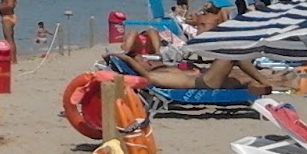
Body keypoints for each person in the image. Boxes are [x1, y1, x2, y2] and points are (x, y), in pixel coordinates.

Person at [115, 52, 274, 95]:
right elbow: (146, 76)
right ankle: (264, 82)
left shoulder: (160, 70)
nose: (145, 59)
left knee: (243, 79)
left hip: (204, 79)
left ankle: (271, 83)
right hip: (203, 83)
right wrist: (126, 59)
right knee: (232, 56)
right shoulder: (152, 77)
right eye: (141, 60)